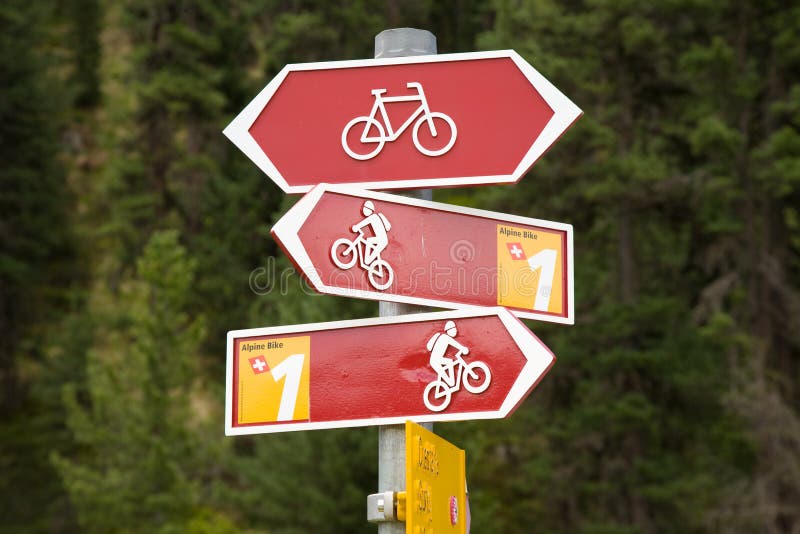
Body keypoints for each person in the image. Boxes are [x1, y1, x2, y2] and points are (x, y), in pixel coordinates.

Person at [426, 320, 469, 387]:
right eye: (454, 329)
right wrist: (462, 348)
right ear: (449, 330)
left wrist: (462, 349)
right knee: (449, 363)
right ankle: (451, 383)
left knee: (450, 362)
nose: (456, 331)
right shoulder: (445, 338)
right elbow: (455, 344)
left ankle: (451, 383)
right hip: (435, 361)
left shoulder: (445, 337)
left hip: (438, 359)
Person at [351, 200, 391, 266]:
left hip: (382, 240)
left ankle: (367, 261)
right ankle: (367, 261)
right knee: (369, 240)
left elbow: (364, 223)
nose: (364, 210)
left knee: (369, 242)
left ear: (371, 210)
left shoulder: (373, 217)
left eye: (366, 208)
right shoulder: (374, 217)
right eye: (364, 208)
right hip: (380, 239)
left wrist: (356, 227)